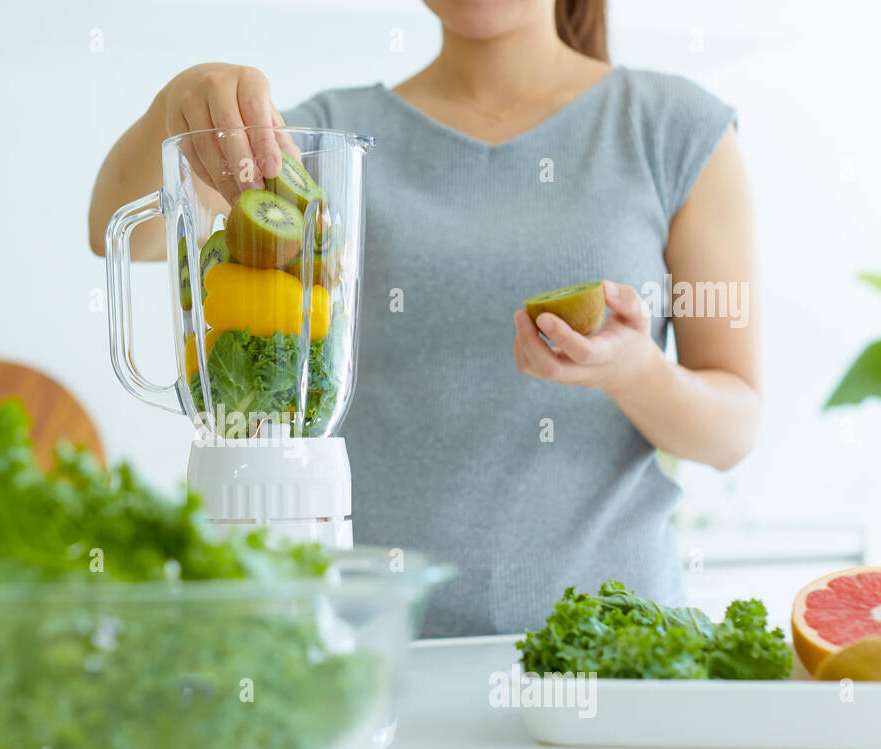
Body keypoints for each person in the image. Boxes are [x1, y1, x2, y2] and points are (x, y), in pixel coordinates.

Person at [88, 0, 759, 637]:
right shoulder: (329, 144)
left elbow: (732, 430)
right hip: (374, 648)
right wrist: (176, 104)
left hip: (614, 653)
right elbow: (118, 230)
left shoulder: (677, 129)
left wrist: (637, 373)